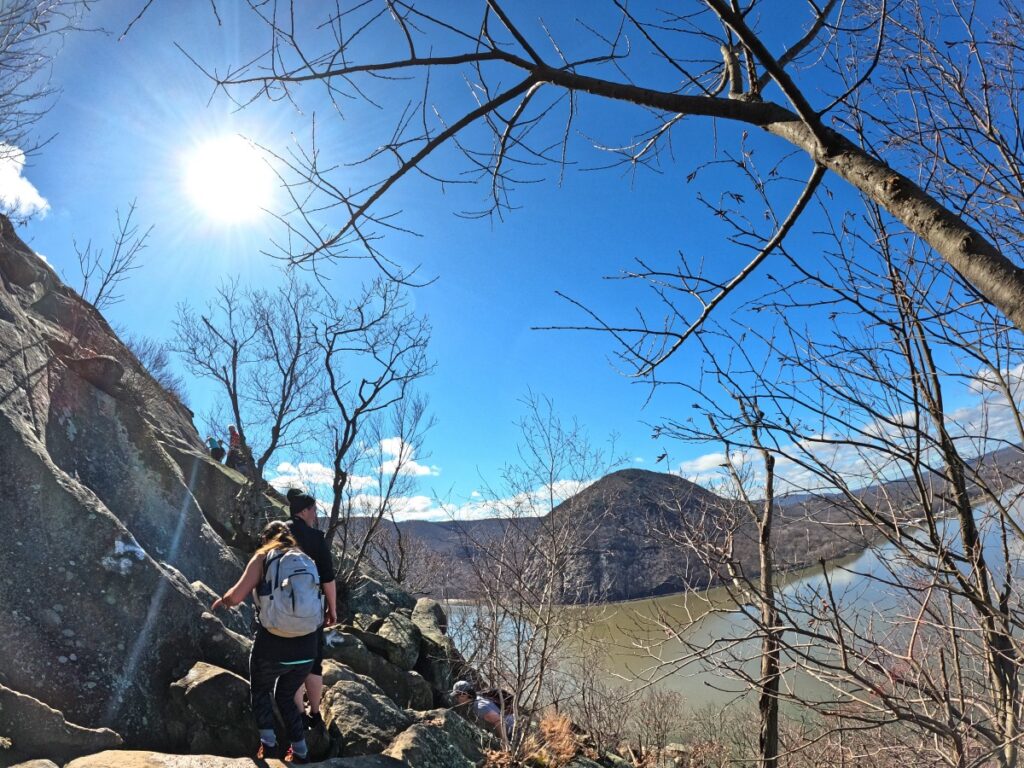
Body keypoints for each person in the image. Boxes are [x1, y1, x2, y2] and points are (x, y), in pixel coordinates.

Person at [212, 521, 316, 763]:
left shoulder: (263, 557)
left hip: (273, 646)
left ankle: (269, 747)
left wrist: (222, 602)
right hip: (307, 647)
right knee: (286, 695)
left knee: (260, 690)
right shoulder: (305, 559)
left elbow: (237, 596)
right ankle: (301, 752)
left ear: (266, 538)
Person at [285, 488, 337, 730]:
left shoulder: (276, 532)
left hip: (278, 611)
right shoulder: (315, 538)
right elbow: (328, 577)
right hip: (309, 613)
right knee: (313, 662)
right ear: (304, 511)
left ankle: (297, 713)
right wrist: (332, 610)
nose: (315, 515)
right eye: (314, 510)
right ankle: (315, 714)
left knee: (289, 663)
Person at [450, 680, 515, 738]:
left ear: (464, 694)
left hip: (513, 732)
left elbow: (498, 721)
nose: (456, 699)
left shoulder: (479, 707)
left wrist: (504, 741)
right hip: (512, 729)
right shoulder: (477, 698)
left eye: (457, 696)